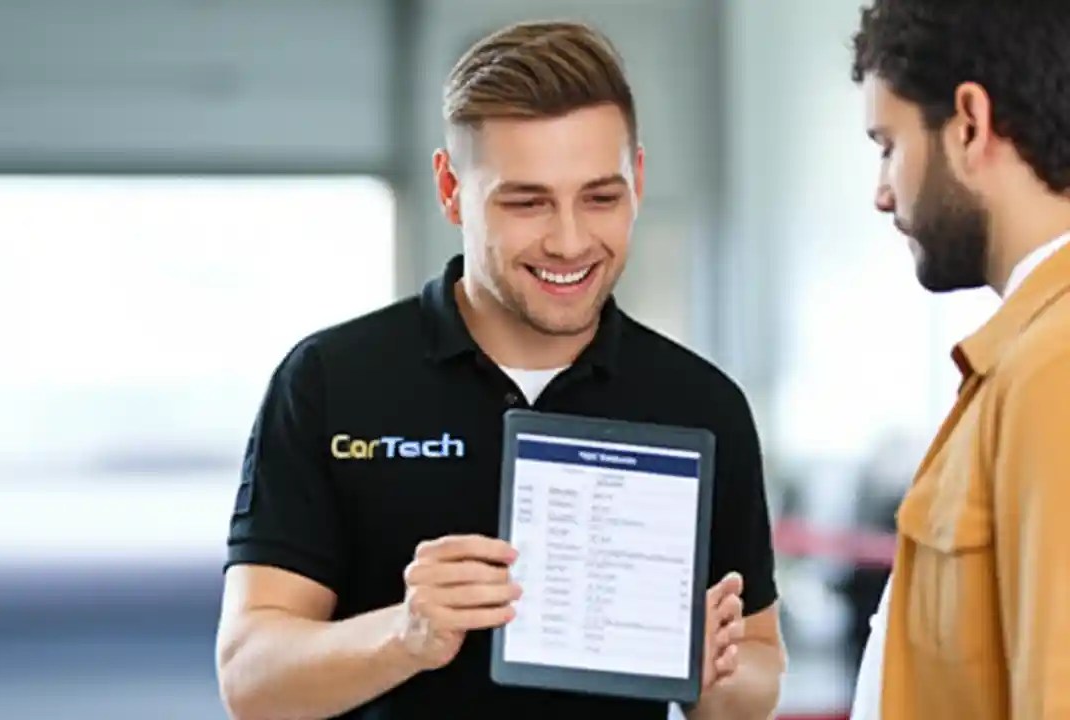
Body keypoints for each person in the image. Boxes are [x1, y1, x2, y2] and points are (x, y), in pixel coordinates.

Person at [215, 20, 786, 720]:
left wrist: (710, 673)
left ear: (637, 179)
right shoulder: (330, 382)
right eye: (527, 202)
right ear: (451, 188)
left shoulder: (701, 404)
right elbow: (250, 679)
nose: (570, 241)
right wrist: (404, 637)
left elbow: (758, 668)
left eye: (601, 198)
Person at [848, 1, 1070, 717]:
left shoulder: (1054, 367)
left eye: (889, 144)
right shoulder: (1025, 356)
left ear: (969, 124)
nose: (882, 193)